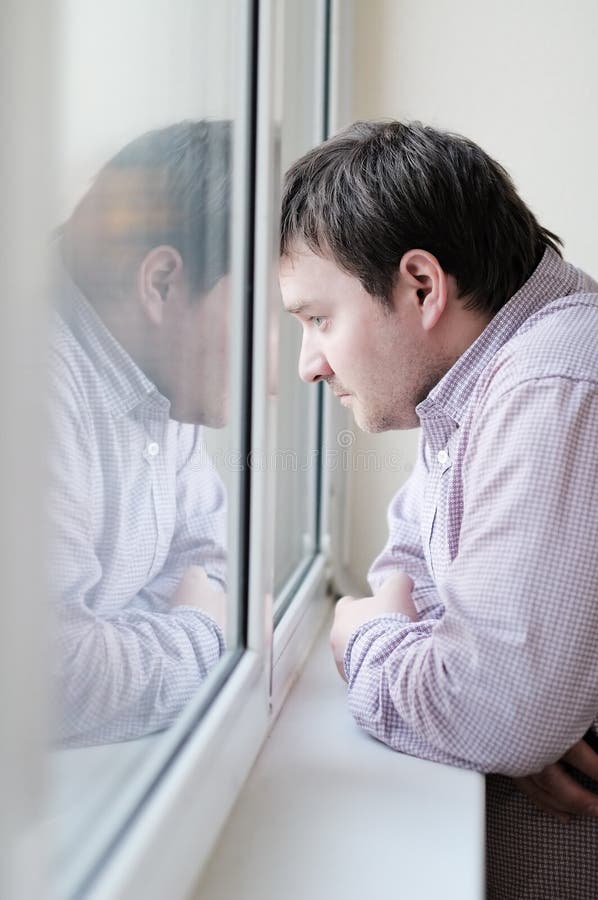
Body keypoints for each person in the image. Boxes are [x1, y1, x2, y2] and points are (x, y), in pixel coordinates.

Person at [279, 120, 598, 899]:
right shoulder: (476, 384)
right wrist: (496, 711)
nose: (308, 365)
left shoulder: (551, 387)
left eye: (319, 319)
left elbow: (497, 711)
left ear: (422, 286)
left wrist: (363, 636)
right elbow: (406, 560)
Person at [50, 120, 231, 746]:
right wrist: (203, 638)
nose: (282, 370)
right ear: (161, 284)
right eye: (266, 316)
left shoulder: (160, 382)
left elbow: (209, 565)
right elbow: (55, 680)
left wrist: (133, 642)